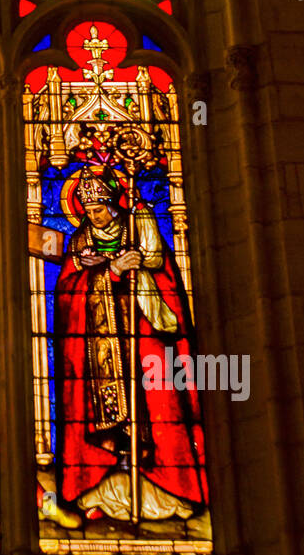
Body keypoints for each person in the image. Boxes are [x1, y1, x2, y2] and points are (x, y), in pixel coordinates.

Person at [54, 166, 207, 522]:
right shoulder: (77, 242)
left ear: (113, 204)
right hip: (98, 349)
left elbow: (164, 275)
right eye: (88, 211)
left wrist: (142, 264)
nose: (94, 216)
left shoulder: (138, 226)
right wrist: (110, 272)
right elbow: (66, 293)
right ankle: (100, 487)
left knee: (158, 402)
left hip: (144, 333)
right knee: (103, 416)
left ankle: (169, 486)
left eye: (100, 209)